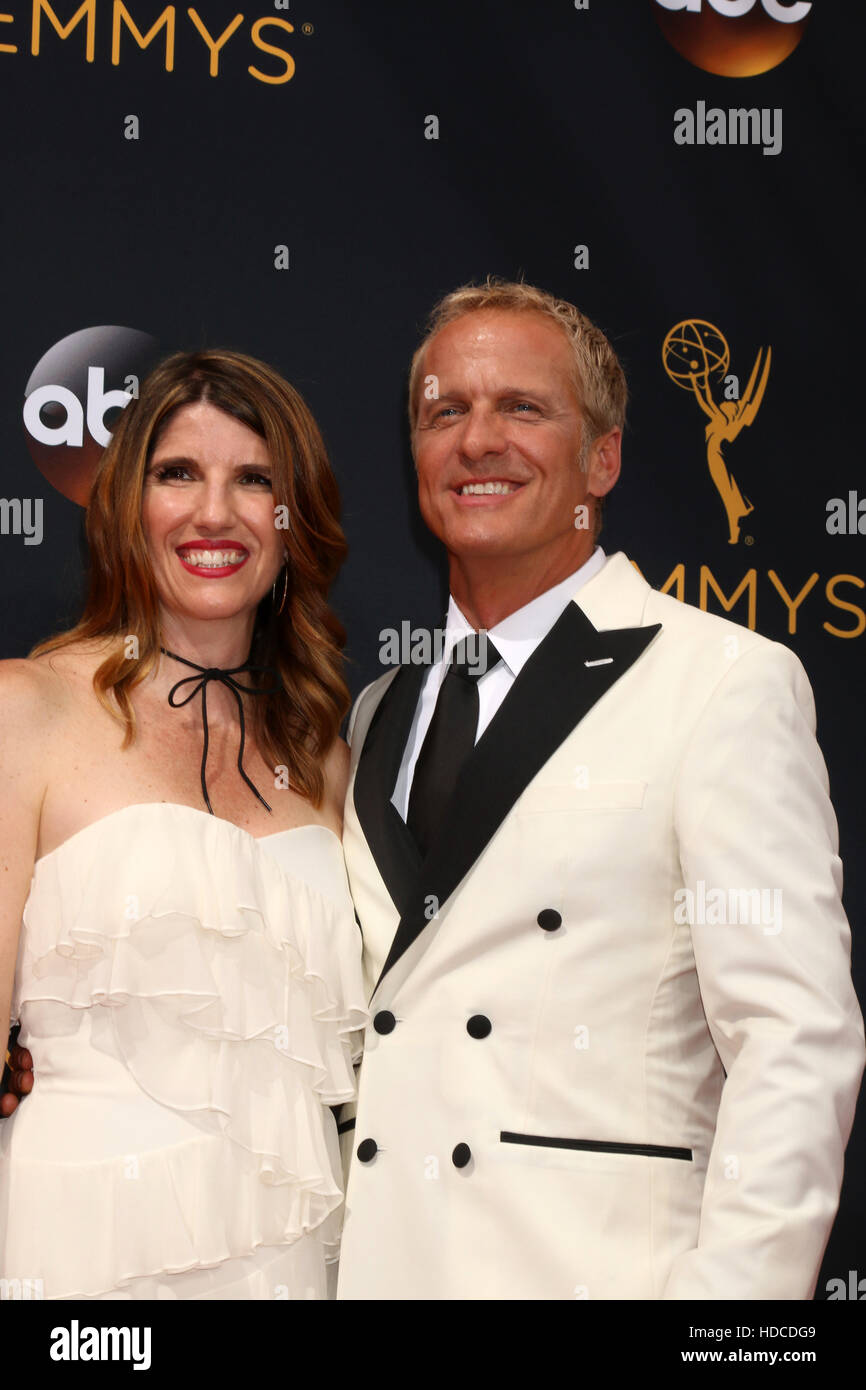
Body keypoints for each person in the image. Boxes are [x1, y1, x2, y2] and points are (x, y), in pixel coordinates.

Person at [335, 279, 866, 1299]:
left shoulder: (717, 682)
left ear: (602, 457)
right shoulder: (377, 715)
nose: (476, 439)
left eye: (521, 408)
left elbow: (791, 1043)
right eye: (444, 411)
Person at [0, 348, 366, 1300]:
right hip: (79, 1251)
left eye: (255, 480)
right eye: (178, 475)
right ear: (128, 509)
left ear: (294, 522)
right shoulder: (24, 711)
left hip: (290, 1252)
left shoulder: (326, 752)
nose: (216, 513)